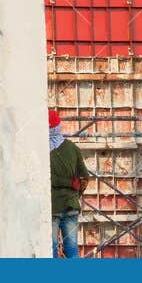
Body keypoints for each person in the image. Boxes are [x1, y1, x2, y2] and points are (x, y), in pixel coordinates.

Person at [48, 108, 90, 259]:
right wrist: (74, 191)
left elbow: (46, 179)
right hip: (71, 206)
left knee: (50, 249)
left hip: (51, 208)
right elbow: (85, 179)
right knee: (72, 249)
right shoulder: (73, 148)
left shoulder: (40, 151)